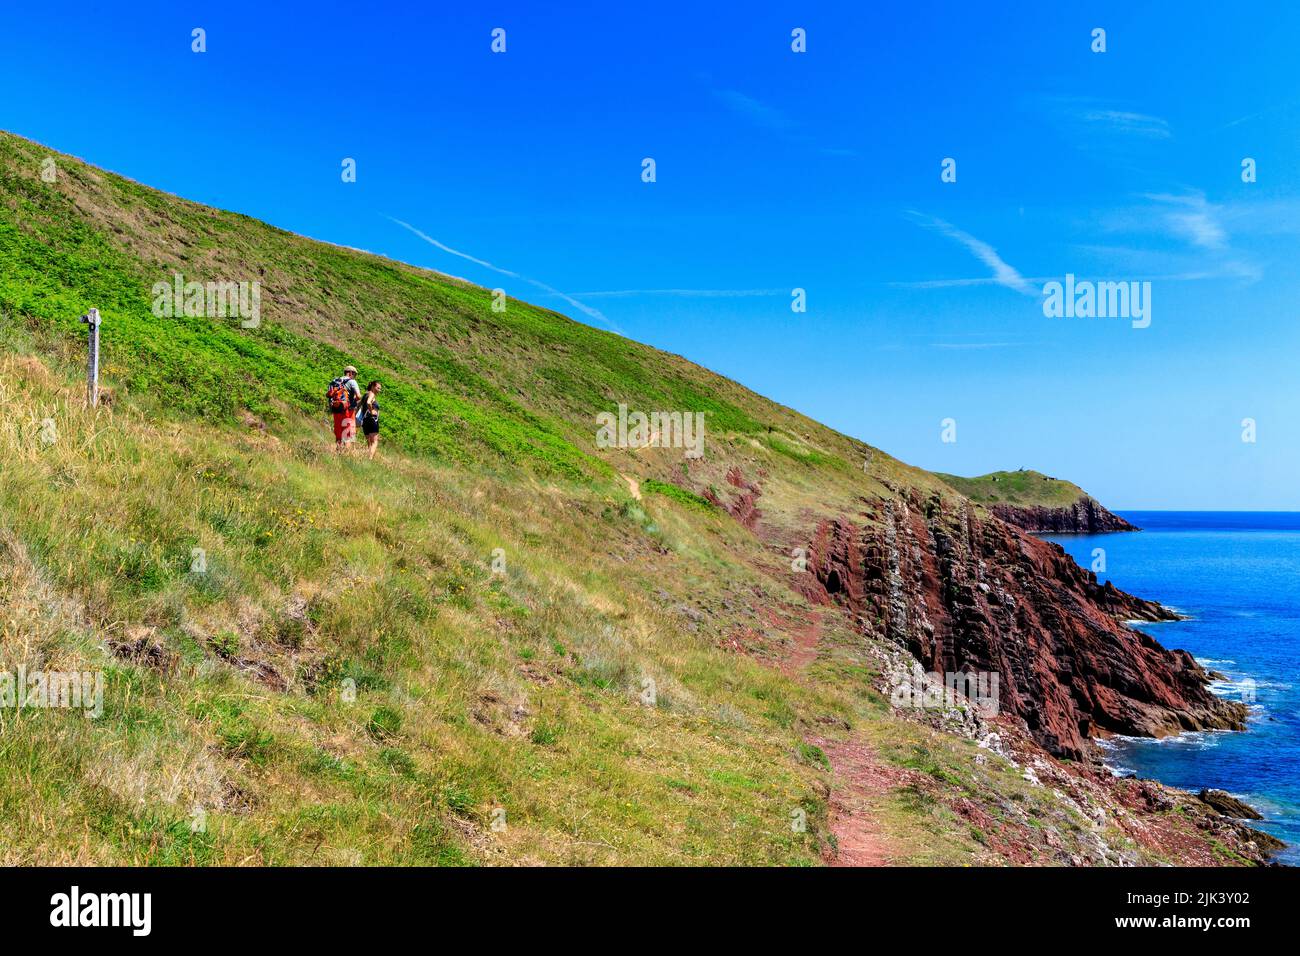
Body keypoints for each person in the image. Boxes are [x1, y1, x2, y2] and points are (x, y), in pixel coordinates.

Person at [327, 365, 363, 450]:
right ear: (350, 373)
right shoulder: (352, 381)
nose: (355, 377)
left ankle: (338, 453)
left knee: (339, 434)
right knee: (348, 435)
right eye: (355, 374)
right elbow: (358, 396)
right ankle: (346, 456)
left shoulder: (335, 381)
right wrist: (354, 402)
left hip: (337, 409)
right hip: (348, 412)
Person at [359, 381, 382, 459]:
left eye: (380, 389)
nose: (379, 390)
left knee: (369, 441)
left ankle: (367, 457)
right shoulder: (372, 394)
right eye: (378, 388)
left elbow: (358, 405)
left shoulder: (365, 394)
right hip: (372, 419)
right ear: (372, 386)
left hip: (365, 420)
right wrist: (372, 410)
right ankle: (370, 459)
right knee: (375, 441)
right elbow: (369, 403)